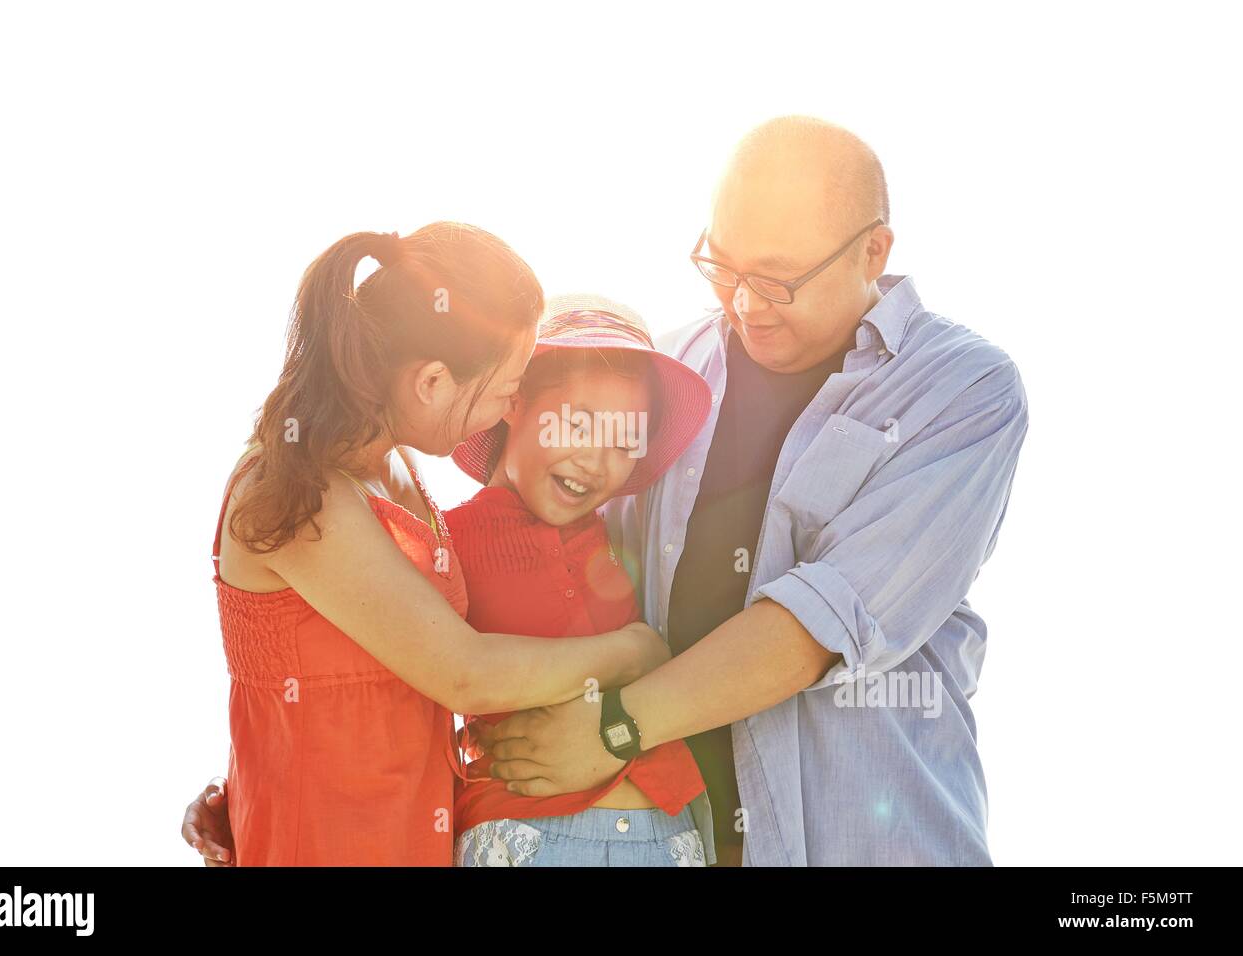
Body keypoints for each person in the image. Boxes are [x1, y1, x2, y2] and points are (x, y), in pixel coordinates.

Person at [477, 116, 1030, 866]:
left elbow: (819, 622)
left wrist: (615, 728)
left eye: (778, 280)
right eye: (722, 267)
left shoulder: (962, 390)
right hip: (679, 843)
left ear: (875, 251)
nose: (743, 304)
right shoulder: (666, 372)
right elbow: (551, 536)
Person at [188, 225, 670, 866]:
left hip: (411, 839)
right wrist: (632, 651)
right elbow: (464, 674)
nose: (507, 411)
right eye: (504, 389)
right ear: (432, 382)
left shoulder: (398, 475)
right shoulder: (296, 490)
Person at [448, 295, 713, 866]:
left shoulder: (621, 541)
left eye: (624, 443)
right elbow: (361, 685)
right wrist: (244, 795)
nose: (597, 461)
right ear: (514, 402)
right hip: (527, 839)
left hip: (669, 838)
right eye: (578, 423)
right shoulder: (446, 543)